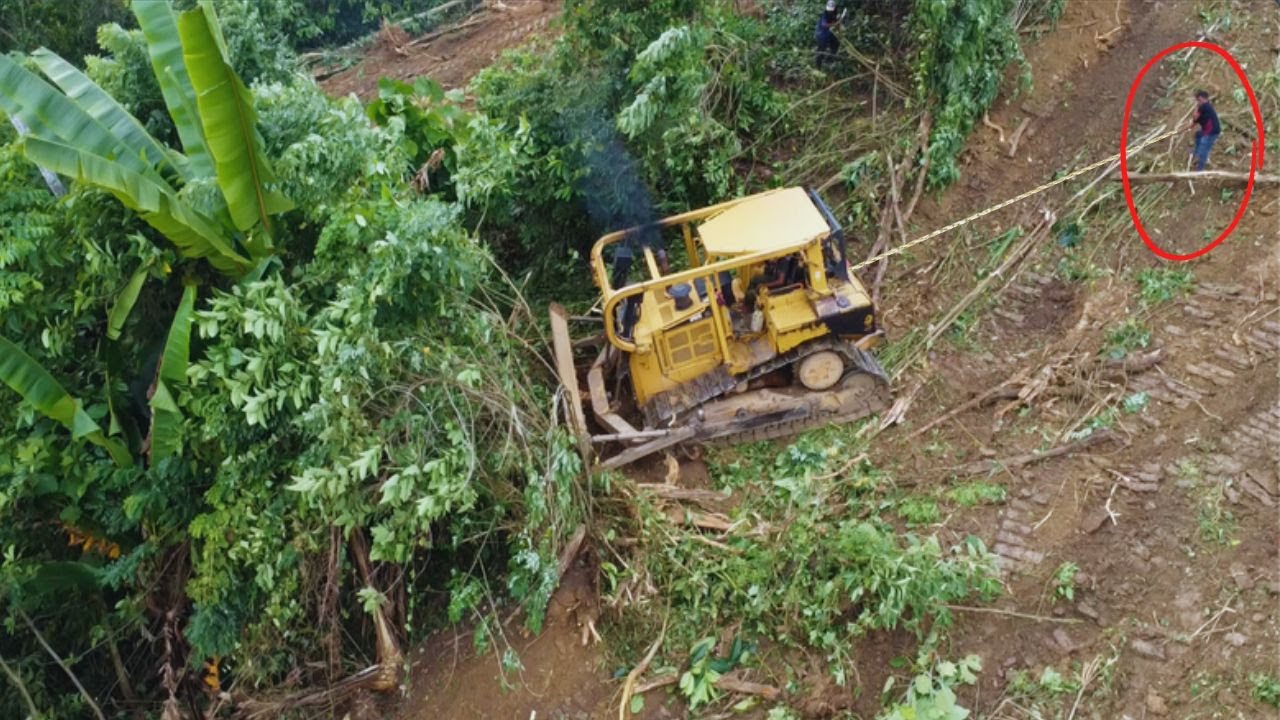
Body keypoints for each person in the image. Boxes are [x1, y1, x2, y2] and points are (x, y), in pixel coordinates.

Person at [1189, 89, 1221, 172]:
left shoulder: (1204, 106)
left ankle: (1199, 170)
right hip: (1207, 130)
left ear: (1202, 98)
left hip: (1212, 131)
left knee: (1204, 148)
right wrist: (1191, 125)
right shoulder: (1205, 107)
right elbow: (1197, 119)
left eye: (1198, 100)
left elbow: (1195, 117)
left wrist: (1192, 123)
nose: (1198, 102)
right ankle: (1195, 155)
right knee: (1198, 135)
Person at [814, 1, 840, 70]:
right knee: (821, 50)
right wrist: (835, 24)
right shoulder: (824, 14)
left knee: (836, 44)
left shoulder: (835, 13)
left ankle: (828, 60)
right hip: (821, 34)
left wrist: (838, 27)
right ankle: (818, 67)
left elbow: (836, 22)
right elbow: (824, 24)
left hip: (828, 33)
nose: (830, 11)